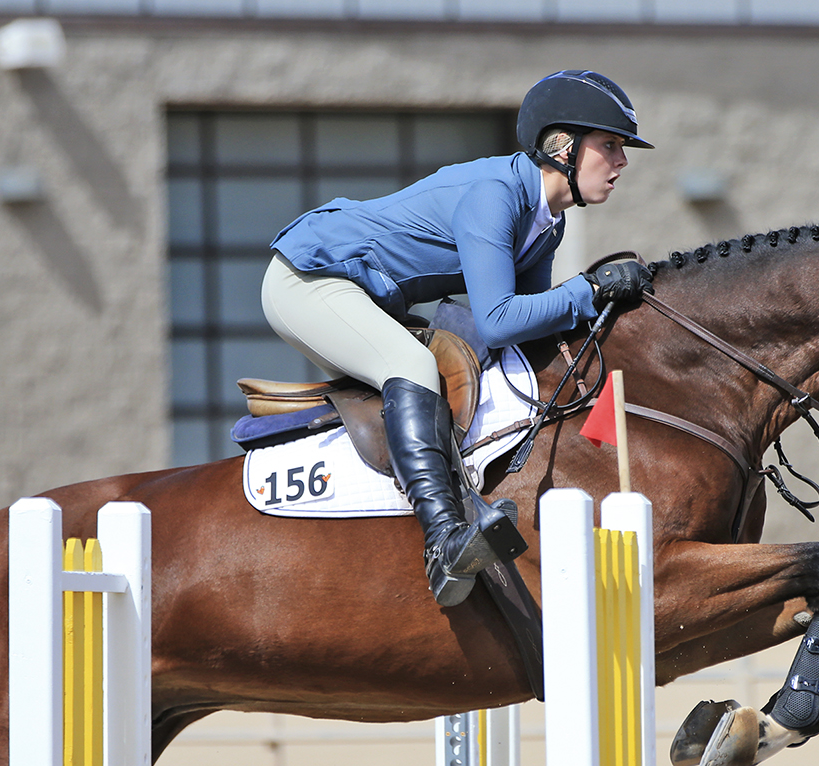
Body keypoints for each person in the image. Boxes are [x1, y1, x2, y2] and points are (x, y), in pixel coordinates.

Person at [262, 70, 654, 606]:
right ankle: (444, 539)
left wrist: (596, 306)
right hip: (309, 279)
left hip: (364, 292)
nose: (622, 161)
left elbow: (530, 325)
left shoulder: (549, 221)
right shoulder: (495, 196)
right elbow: (497, 319)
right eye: (609, 145)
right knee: (414, 367)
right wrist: (589, 289)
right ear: (561, 145)